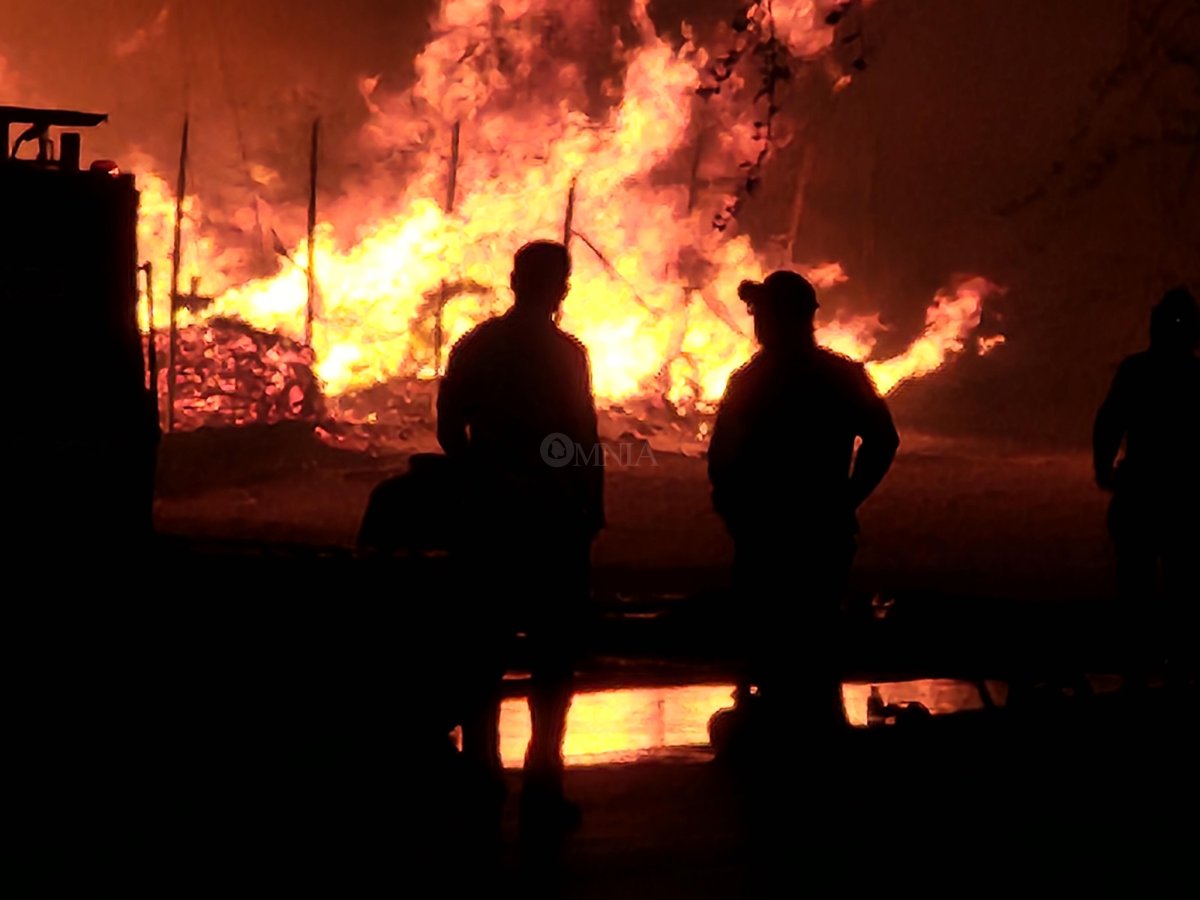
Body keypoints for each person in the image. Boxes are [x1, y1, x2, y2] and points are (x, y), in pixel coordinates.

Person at [437, 240, 604, 827]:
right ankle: (542, 779)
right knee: (552, 655)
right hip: (552, 519)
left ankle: (483, 769)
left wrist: (480, 475)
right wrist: (585, 500)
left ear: (513, 282)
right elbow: (580, 436)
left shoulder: (478, 345)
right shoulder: (566, 354)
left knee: (483, 649)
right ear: (560, 289)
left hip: (493, 518)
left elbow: (449, 425)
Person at [708, 270, 899, 726]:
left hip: (770, 533)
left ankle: (776, 739)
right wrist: (848, 498)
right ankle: (816, 739)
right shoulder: (839, 376)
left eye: (762, 313)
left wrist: (735, 509)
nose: (757, 322)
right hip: (817, 530)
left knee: (771, 641)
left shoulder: (752, 381)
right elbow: (882, 439)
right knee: (814, 642)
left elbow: (722, 458)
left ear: (781, 318)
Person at [1093, 286, 1199, 689]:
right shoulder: (1195, 377)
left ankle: (1137, 669)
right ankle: (1178, 669)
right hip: (1182, 498)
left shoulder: (1136, 371)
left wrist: (1104, 469)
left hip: (1142, 493)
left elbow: (1109, 422)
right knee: (1182, 586)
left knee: (1137, 587)